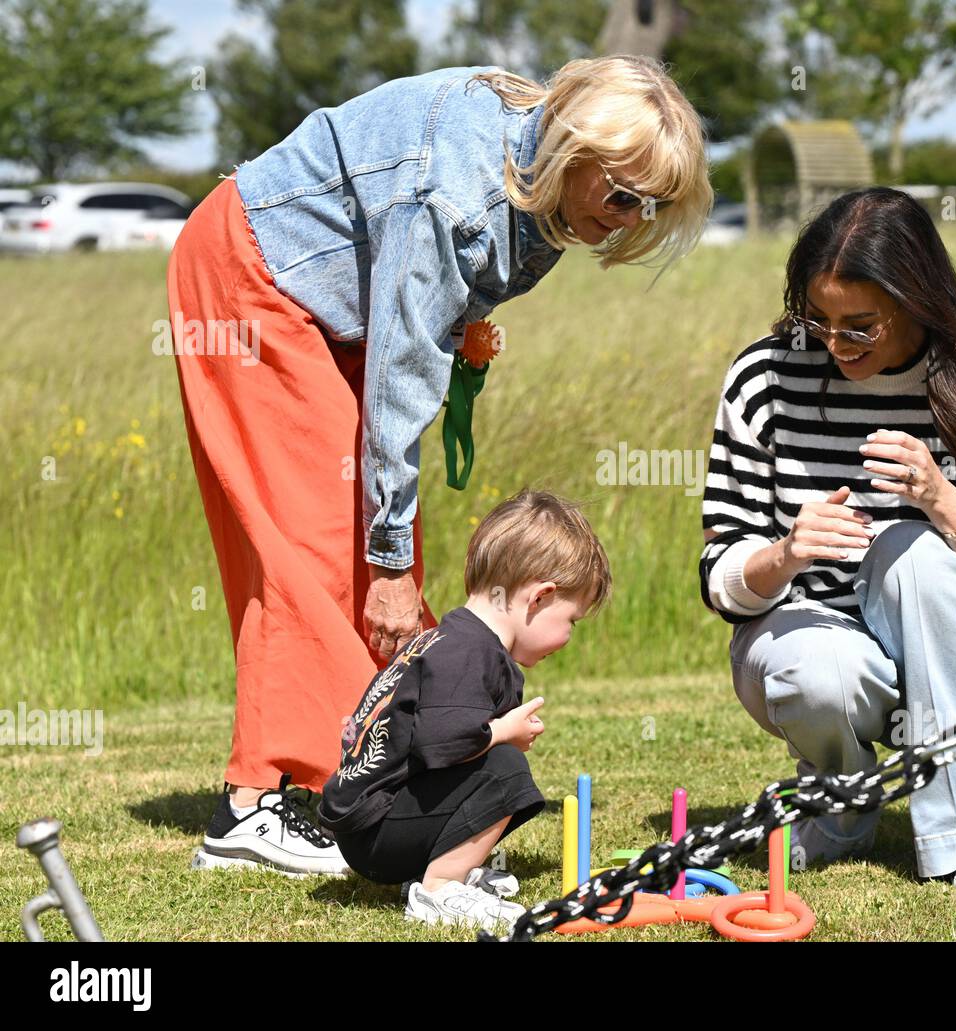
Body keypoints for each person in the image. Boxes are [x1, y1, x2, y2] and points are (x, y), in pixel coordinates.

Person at [167, 57, 710, 876]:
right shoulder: (456, 200)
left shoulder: (540, 179)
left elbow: (421, 326)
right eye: (623, 194)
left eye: (653, 206)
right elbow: (399, 372)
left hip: (327, 309)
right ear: (574, 148)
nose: (632, 220)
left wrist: (392, 550)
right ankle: (250, 806)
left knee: (381, 538)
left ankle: (371, 771)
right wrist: (385, 566)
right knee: (316, 541)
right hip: (253, 276)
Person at [700, 188, 956, 891]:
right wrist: (786, 553)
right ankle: (843, 808)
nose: (836, 345)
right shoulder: (763, 378)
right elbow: (721, 577)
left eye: (860, 326)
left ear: (918, 300)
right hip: (808, 642)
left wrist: (944, 502)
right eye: (820, 320)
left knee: (916, 552)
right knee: (817, 667)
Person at [319, 489, 611, 934]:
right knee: (504, 769)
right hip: (374, 834)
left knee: (496, 767)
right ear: (539, 597)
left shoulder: (449, 639)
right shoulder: (469, 654)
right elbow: (442, 741)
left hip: (368, 824)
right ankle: (440, 888)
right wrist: (503, 732)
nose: (569, 636)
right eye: (571, 619)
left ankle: (440, 868)